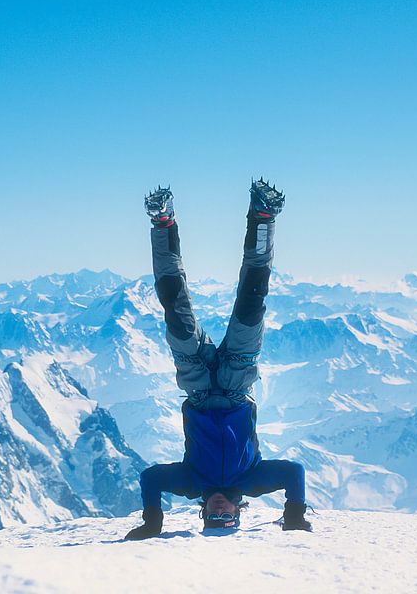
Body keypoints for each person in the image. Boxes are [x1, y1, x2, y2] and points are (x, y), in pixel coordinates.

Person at [125, 179, 312, 540]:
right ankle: (263, 216)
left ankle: (163, 223)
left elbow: (150, 478)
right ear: (237, 513)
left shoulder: (191, 482)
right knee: (253, 294)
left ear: (204, 513)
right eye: (228, 517)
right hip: (237, 380)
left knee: (172, 300)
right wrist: (293, 516)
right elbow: (294, 472)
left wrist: (153, 522)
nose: (221, 510)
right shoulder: (252, 480)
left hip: (195, 381)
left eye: (214, 517)